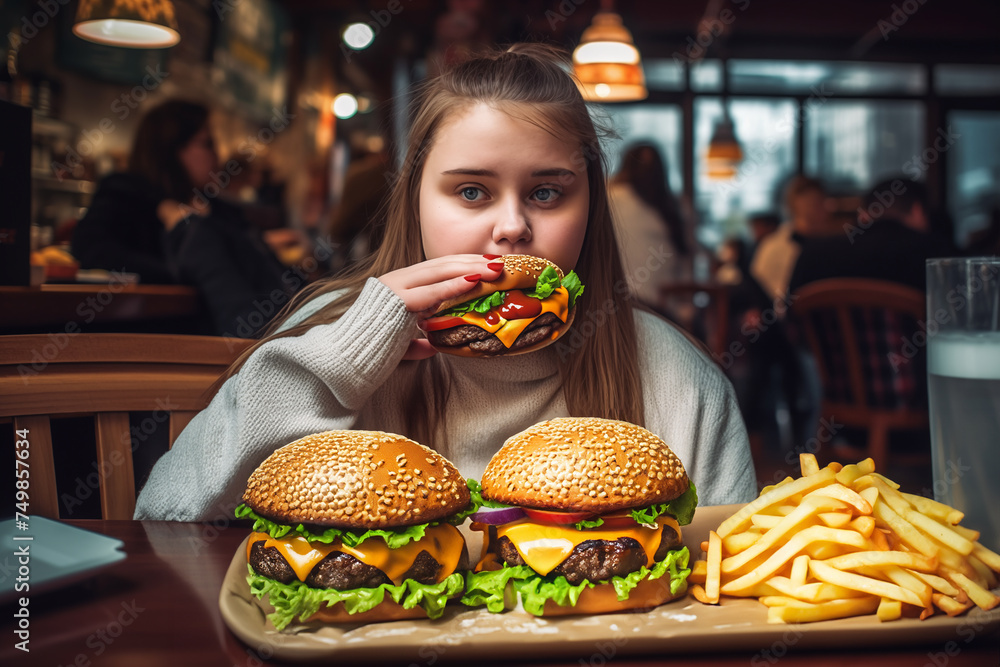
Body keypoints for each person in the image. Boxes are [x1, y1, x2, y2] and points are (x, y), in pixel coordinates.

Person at [133, 45, 756, 522]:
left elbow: (727, 581)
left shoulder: (676, 378)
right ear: (416, 199)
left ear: (590, 204)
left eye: (546, 192)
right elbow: (164, 516)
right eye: (471, 191)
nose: (511, 228)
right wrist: (342, 361)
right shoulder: (331, 330)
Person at [73, 100, 294, 336]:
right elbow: (90, 248)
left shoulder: (219, 208)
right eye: (207, 144)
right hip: (146, 333)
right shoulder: (128, 193)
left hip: (227, 336)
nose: (217, 154)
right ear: (171, 149)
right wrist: (182, 272)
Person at [788, 178, 953, 295]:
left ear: (865, 215)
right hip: (914, 344)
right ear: (917, 210)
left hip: (829, 345)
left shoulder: (812, 255)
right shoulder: (937, 256)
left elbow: (792, 324)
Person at [607, 143, 690, 311]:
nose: (646, 171)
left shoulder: (674, 205)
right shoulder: (611, 196)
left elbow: (686, 257)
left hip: (663, 303)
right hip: (631, 301)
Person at [750, 176, 830, 314]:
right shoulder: (773, 246)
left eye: (819, 202)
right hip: (784, 320)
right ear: (795, 204)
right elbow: (758, 291)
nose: (824, 209)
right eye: (814, 202)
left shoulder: (831, 244)